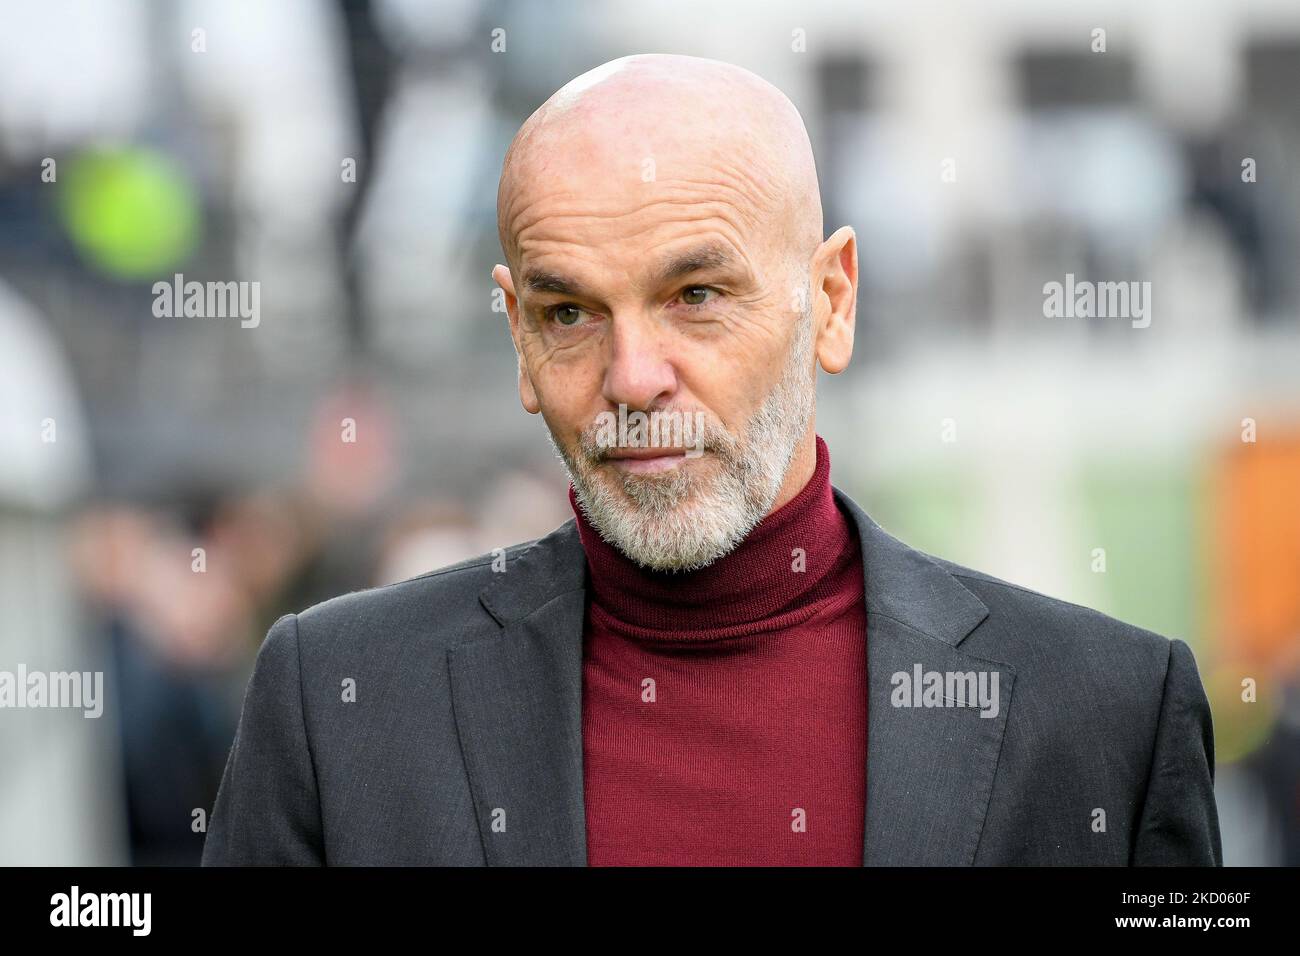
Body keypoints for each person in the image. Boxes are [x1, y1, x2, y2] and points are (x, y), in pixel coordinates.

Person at [202, 53, 1221, 866]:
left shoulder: (1105, 714)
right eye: (569, 312)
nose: (633, 375)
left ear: (830, 300)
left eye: (695, 295)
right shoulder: (337, 704)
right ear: (516, 333)